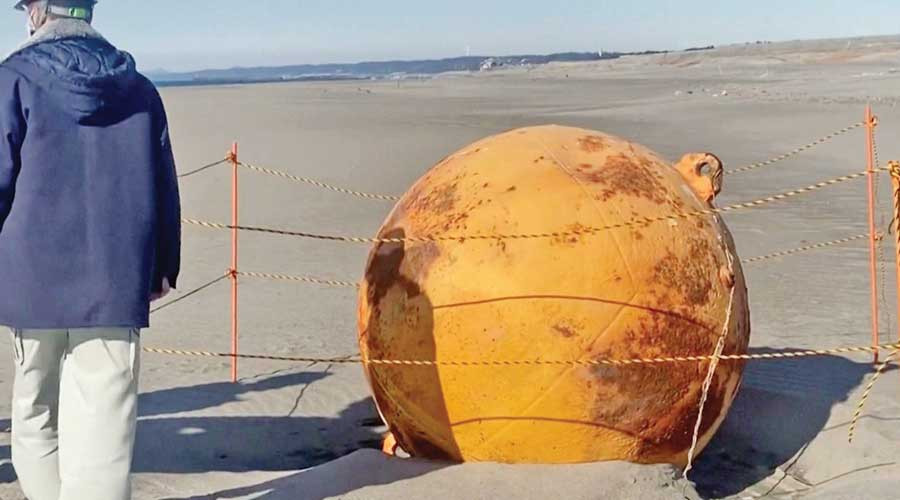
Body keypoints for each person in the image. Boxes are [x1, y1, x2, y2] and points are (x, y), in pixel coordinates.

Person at [0, 1, 181, 498]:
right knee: (104, 425)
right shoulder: (138, 87)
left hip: (30, 279)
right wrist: (164, 264)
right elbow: (162, 180)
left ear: (37, 12)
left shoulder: (12, 78)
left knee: (35, 411)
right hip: (115, 276)